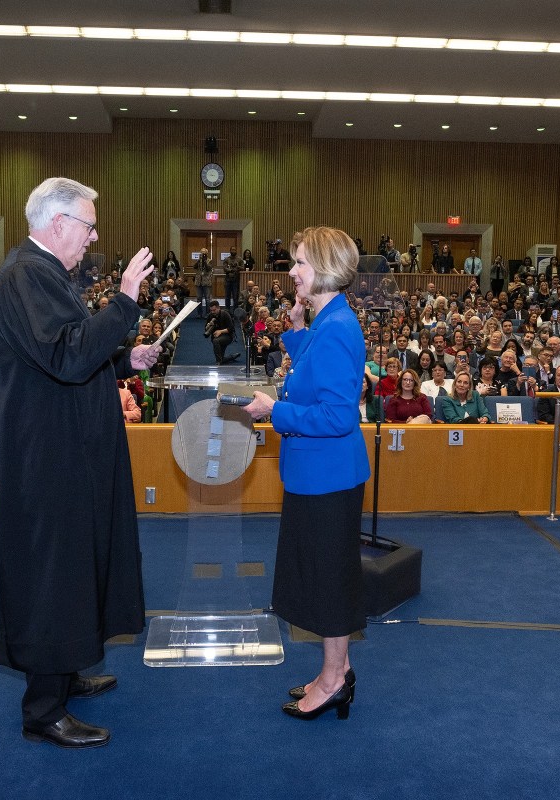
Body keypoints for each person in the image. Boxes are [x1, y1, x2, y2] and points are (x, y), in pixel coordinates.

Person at [0, 177, 161, 749]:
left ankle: (63, 672)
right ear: (58, 223)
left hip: (64, 452)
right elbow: (66, 356)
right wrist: (125, 300)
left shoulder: (43, 274)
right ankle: (43, 709)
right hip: (45, 459)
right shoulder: (25, 276)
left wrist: (125, 360)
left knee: (73, 567)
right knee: (51, 574)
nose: (93, 237)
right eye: (88, 226)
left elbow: (65, 352)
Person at [243, 226, 369, 722]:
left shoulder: (337, 327)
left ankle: (334, 680)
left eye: (299, 262)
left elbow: (338, 416)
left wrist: (274, 411)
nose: (292, 271)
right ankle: (336, 670)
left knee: (329, 582)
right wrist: (296, 328)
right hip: (319, 476)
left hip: (328, 480)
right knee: (323, 577)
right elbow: (315, 370)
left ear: (324, 267)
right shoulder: (328, 320)